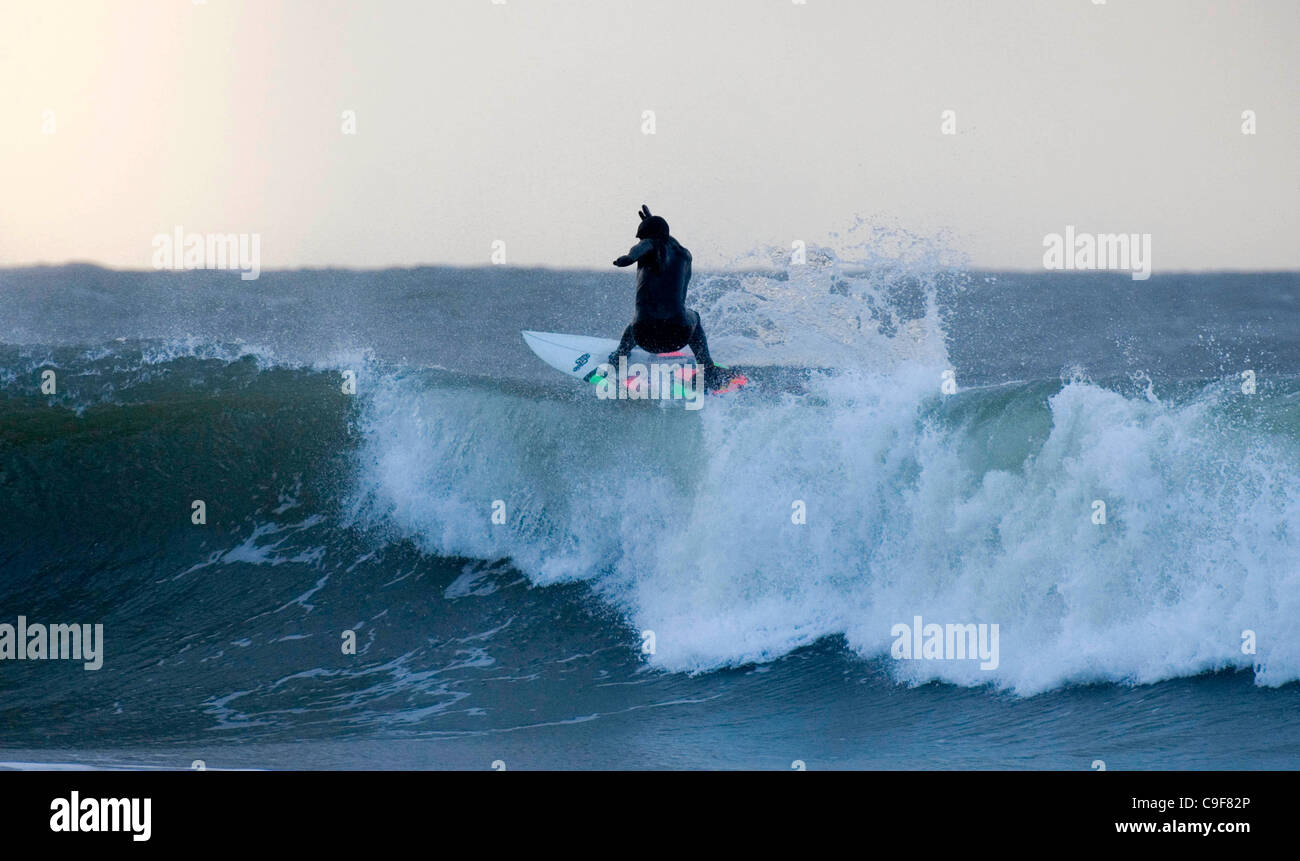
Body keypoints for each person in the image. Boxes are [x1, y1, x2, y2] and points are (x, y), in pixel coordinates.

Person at [607, 205, 723, 388]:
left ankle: (618, 357)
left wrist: (628, 258)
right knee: (694, 316)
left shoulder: (649, 244)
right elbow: (664, 241)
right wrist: (654, 225)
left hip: (644, 335)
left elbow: (642, 247)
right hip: (678, 336)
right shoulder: (684, 255)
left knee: (638, 322)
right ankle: (707, 367)